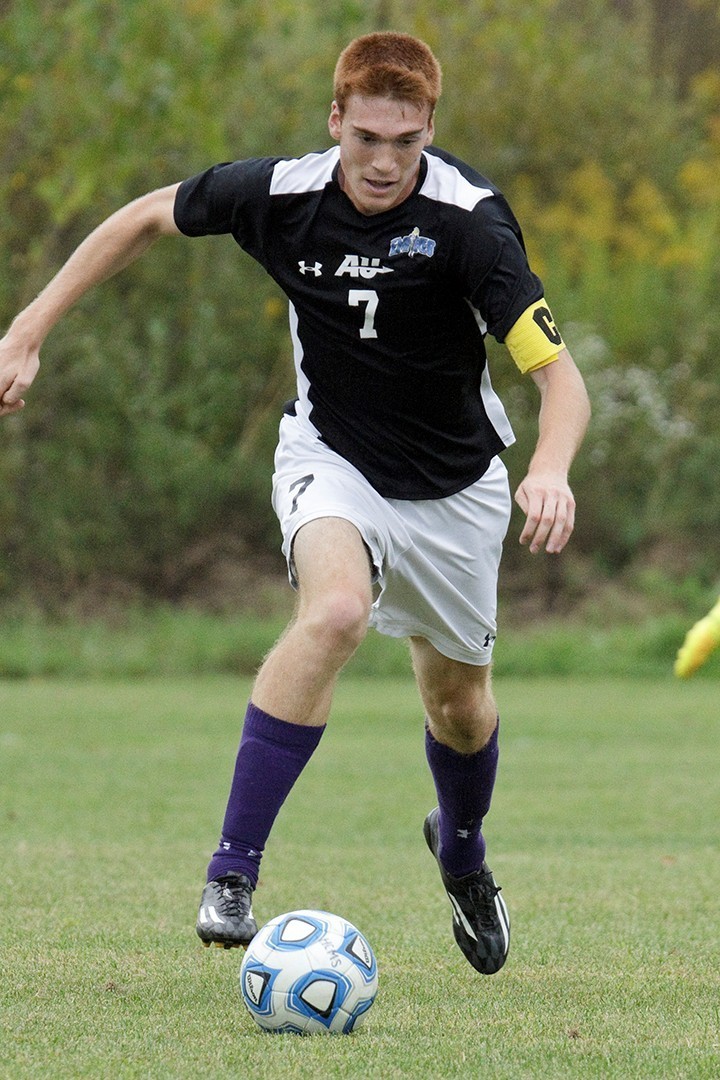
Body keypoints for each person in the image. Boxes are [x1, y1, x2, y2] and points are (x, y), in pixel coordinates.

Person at [0, 32, 590, 975]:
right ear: (335, 121)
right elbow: (145, 216)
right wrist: (28, 329)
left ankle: (464, 851)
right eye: (366, 138)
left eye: (405, 140)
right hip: (332, 458)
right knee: (337, 613)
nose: (385, 161)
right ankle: (232, 872)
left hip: (454, 492)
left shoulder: (471, 224)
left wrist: (550, 468)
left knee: (462, 710)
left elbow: (560, 379)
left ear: (430, 128)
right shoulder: (281, 194)